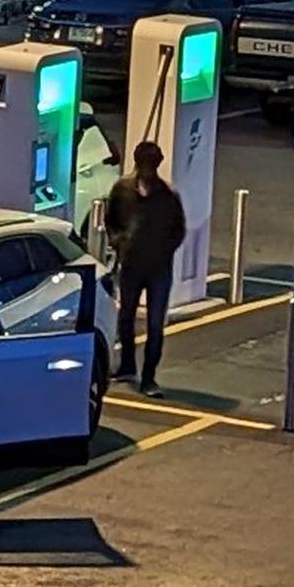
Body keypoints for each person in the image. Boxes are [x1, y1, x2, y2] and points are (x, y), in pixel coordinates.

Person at [104, 139, 186, 397]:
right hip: (131, 265)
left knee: (154, 324)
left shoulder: (168, 195)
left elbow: (178, 230)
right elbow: (111, 220)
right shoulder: (122, 189)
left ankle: (149, 378)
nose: (149, 170)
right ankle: (127, 365)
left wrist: (164, 250)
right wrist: (120, 243)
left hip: (159, 268)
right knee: (125, 317)